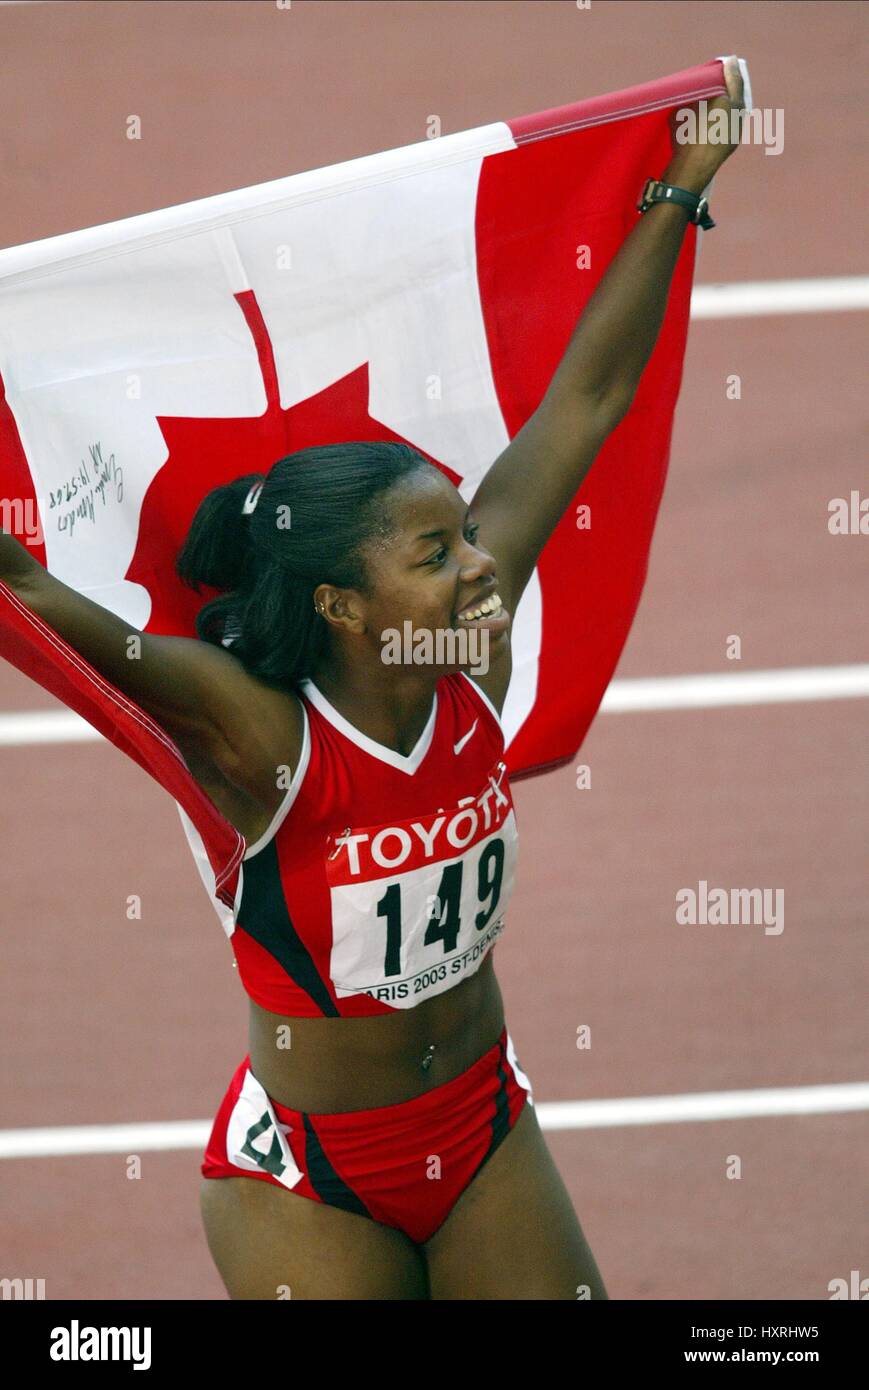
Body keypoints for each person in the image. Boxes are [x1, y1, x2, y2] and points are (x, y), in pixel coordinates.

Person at [0, 60, 744, 1299]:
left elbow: (584, 401)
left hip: (484, 1130)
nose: (478, 568)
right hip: (308, 1172)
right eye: (436, 553)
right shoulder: (259, 739)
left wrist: (675, 187)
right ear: (341, 604)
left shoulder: (471, 657)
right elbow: (28, 595)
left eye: (465, 534)